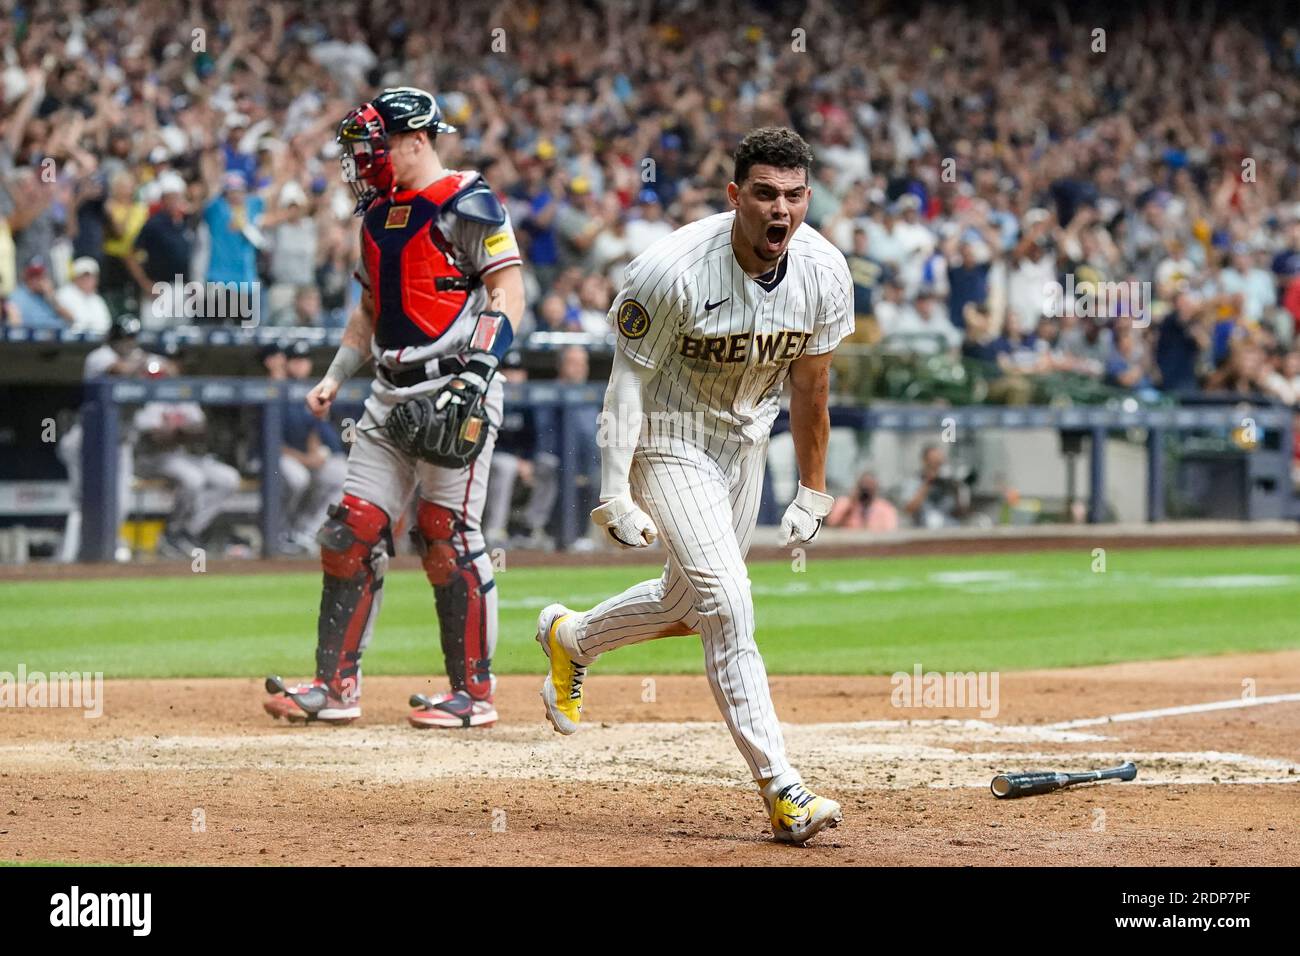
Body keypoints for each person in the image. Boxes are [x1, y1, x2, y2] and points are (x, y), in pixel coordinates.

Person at [534, 127, 850, 844]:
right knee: (729, 602)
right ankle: (782, 789)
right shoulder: (669, 269)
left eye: (796, 196)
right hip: (668, 434)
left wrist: (812, 489)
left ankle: (572, 637)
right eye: (766, 194)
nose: (782, 211)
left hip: (747, 440)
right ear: (735, 195)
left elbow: (813, 387)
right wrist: (614, 489)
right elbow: (626, 384)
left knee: (688, 605)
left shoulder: (825, 272)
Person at [263, 87, 525, 731]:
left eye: (371, 146)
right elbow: (368, 311)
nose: (361, 161)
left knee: (445, 535)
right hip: (387, 390)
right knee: (349, 531)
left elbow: (509, 292)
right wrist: (333, 377)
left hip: (455, 385)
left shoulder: (468, 199)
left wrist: (478, 374)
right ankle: (336, 687)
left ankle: (473, 693)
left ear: (415, 140)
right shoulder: (375, 213)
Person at [132, 360, 242, 557]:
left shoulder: (183, 394)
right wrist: (183, 432)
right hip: (149, 459)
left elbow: (202, 430)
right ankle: (173, 531)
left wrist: (176, 432)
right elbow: (156, 439)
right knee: (193, 479)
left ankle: (187, 530)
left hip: (180, 456)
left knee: (229, 479)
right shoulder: (147, 395)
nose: (171, 369)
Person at [273, 341, 347, 551]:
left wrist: (317, 453)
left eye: (304, 361)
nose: (300, 366)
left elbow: (315, 429)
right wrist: (306, 458)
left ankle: (305, 531)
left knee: (341, 473)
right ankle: (278, 531)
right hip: (278, 456)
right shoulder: (275, 388)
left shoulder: (313, 391)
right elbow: (270, 441)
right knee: (298, 478)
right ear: (285, 363)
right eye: (295, 361)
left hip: (303, 457)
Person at [901, 444, 969, 529]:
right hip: (924, 531)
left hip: (950, 529)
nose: (938, 467)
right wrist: (928, 483)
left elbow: (962, 512)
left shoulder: (950, 482)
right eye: (934, 463)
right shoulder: (914, 481)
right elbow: (909, 509)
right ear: (925, 461)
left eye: (940, 463)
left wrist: (956, 489)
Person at [56, 257, 113, 334]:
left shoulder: (97, 299)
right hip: (74, 342)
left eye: (91, 276)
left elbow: (106, 325)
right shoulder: (64, 293)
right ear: (75, 277)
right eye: (84, 276)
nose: (88, 280)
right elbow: (77, 322)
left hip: (98, 341)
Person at [827, 471, 899, 532]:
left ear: (876, 488)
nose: (867, 491)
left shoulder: (886, 508)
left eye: (870, 486)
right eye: (864, 486)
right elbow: (831, 526)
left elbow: (891, 532)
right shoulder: (844, 503)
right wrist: (851, 506)